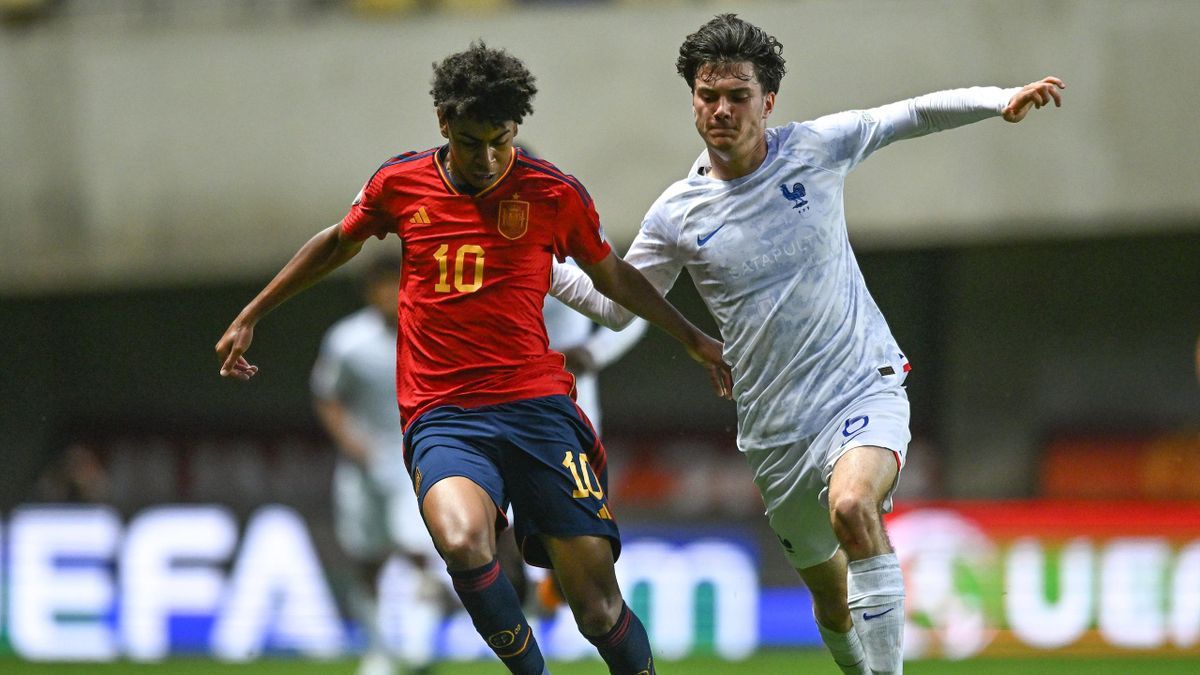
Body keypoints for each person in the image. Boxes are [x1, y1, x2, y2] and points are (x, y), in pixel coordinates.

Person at [549, 14, 1064, 674]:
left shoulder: (817, 147)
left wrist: (999, 100)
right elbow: (613, 306)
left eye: (738, 96)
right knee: (831, 598)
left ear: (768, 100)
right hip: (774, 432)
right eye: (708, 96)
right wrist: (537, 263)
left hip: (862, 383)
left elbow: (908, 115)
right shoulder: (678, 212)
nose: (722, 110)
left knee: (853, 504)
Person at [215, 41, 731, 675]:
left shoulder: (552, 194)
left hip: (539, 411)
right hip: (444, 415)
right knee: (461, 541)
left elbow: (615, 281)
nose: (487, 158)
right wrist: (252, 312)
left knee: (596, 609)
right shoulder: (399, 183)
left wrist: (693, 338)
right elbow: (333, 245)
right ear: (442, 125)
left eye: (501, 139)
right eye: (469, 141)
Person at [310, 253, 442, 675]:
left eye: (398, 284)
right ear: (369, 292)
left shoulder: (433, 334)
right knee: (366, 560)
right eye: (383, 286)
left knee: (419, 551)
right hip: (363, 463)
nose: (391, 295)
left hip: (415, 460)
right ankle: (379, 651)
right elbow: (327, 396)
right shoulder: (347, 341)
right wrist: (350, 443)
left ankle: (420, 641)